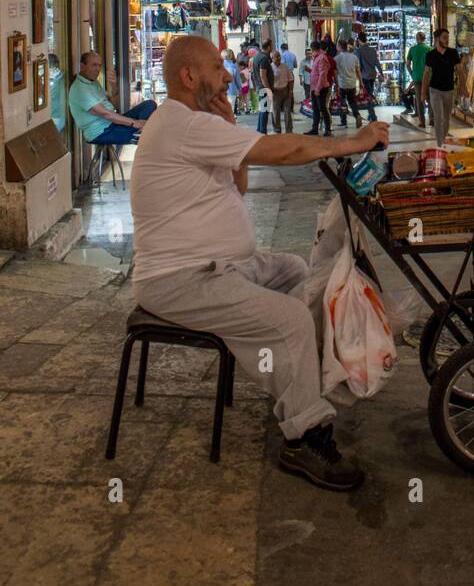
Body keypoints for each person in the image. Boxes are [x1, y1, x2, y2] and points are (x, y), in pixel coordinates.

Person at [130, 35, 389, 491]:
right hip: (181, 278)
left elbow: (239, 186)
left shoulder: (195, 121)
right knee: (289, 317)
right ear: (189, 76)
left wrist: (232, 132)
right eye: (217, 67)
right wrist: (349, 144)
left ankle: (297, 385)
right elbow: (283, 151)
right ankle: (306, 438)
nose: (228, 74)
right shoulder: (182, 124)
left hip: (221, 265)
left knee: (295, 270)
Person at [68, 51, 156, 145]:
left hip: (111, 123)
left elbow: (114, 105)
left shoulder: (93, 82)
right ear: (82, 66)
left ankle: (141, 132)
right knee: (150, 134)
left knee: (150, 105)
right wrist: (134, 123)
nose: (97, 69)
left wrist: (114, 87)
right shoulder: (80, 89)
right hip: (101, 131)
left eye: (99, 65)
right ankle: (142, 134)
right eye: (94, 65)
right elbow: (105, 114)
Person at [421, 28, 465, 147]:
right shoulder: (430, 55)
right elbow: (425, 75)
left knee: (446, 119)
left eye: (447, 37)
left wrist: (463, 87)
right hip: (434, 90)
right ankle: (440, 145)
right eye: (444, 37)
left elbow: (460, 71)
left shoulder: (453, 53)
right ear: (437, 39)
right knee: (439, 118)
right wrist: (423, 93)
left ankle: (443, 140)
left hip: (449, 90)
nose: (447, 40)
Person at [334, 38, 362, 128]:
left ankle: (344, 121)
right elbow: (358, 72)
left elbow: (334, 73)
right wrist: (361, 82)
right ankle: (357, 115)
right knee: (352, 102)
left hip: (341, 84)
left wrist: (335, 84)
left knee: (342, 103)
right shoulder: (354, 57)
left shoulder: (337, 58)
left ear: (339, 47)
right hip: (352, 83)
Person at [406, 30, 431, 127]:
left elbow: (408, 64)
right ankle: (432, 119)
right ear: (424, 39)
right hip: (429, 77)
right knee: (429, 99)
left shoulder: (412, 49)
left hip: (416, 77)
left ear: (417, 39)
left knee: (420, 99)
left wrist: (412, 74)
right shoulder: (429, 49)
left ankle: (422, 122)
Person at [309, 40, 334, 136]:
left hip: (320, 88)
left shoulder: (321, 58)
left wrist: (318, 89)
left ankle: (327, 129)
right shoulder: (316, 58)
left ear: (314, 49)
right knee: (315, 109)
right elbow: (317, 73)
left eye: (311, 50)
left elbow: (323, 75)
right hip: (314, 87)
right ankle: (314, 128)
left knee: (323, 108)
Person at [355, 34, 381, 121]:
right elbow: (377, 62)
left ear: (359, 40)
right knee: (369, 94)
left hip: (364, 76)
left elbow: (358, 65)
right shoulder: (373, 50)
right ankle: (371, 114)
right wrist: (381, 72)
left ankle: (373, 116)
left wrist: (358, 76)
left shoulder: (358, 51)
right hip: (373, 75)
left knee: (368, 96)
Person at [252, 40, 275, 135]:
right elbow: (263, 75)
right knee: (264, 111)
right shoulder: (264, 58)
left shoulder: (257, 56)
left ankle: (259, 130)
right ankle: (262, 132)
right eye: (272, 46)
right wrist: (268, 89)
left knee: (263, 110)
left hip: (259, 86)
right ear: (269, 47)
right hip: (264, 87)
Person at [271, 49, 294, 134]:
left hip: (285, 90)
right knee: (275, 111)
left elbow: (291, 79)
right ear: (272, 58)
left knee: (287, 111)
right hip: (275, 92)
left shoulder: (285, 66)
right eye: (276, 57)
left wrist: (290, 90)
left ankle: (289, 130)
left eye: (279, 56)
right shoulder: (270, 67)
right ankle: (277, 129)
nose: (278, 58)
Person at [222, 48, 241, 114]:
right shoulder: (234, 66)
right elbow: (237, 79)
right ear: (231, 55)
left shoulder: (219, 65)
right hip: (232, 90)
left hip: (221, 90)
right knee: (231, 108)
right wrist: (239, 87)